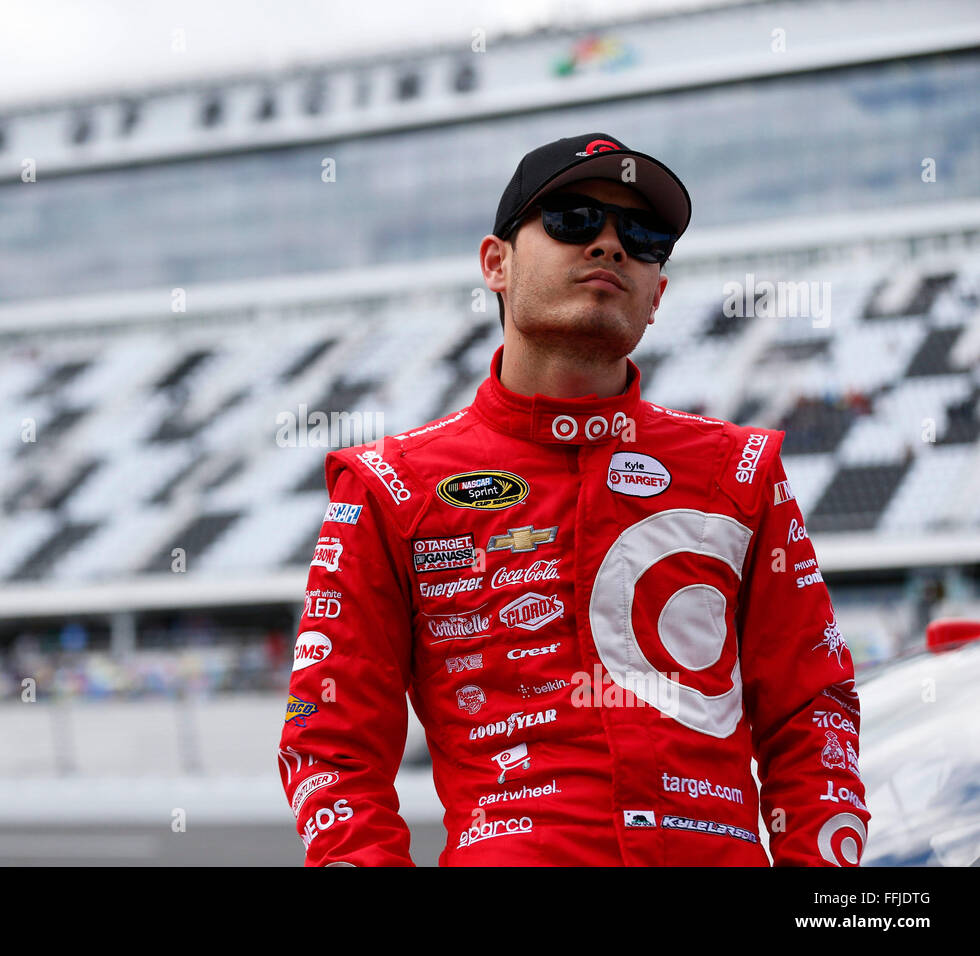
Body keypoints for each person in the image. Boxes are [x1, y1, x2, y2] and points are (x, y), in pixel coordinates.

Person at [277, 133, 869, 866]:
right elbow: (330, 747)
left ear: (658, 295)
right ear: (496, 263)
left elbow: (814, 716)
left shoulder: (742, 471)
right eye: (573, 220)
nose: (612, 245)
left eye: (644, 238)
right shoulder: (388, 486)